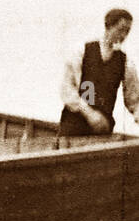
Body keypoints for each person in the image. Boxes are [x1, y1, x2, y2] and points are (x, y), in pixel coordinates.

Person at [59, 8, 138, 137]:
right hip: (73, 127)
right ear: (108, 26)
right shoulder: (82, 51)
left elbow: (134, 100)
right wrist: (89, 113)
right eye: (120, 30)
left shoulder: (126, 62)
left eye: (127, 31)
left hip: (102, 130)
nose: (123, 36)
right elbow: (67, 89)